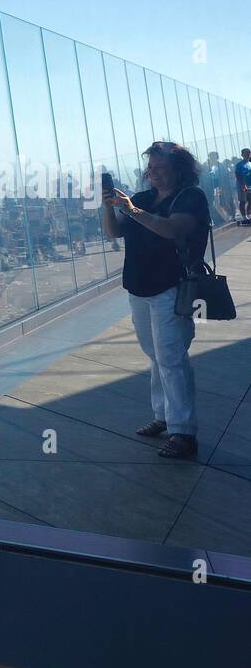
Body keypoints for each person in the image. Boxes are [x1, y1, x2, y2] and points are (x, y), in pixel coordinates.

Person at [101, 142, 211, 459]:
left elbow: (173, 229)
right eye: (151, 168)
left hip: (171, 287)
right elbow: (114, 233)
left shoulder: (191, 197)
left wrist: (132, 210)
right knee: (155, 354)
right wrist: (110, 205)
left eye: (160, 168)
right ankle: (164, 416)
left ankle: (183, 432)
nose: (154, 174)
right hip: (139, 285)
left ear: (179, 170)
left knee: (171, 357)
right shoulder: (145, 197)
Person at [235, 148, 251, 223]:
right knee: (243, 201)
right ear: (242, 155)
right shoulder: (239, 165)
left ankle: (249, 215)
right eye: (245, 153)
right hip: (242, 185)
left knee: (250, 200)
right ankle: (244, 217)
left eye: (248, 153)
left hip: (250, 184)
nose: (247, 155)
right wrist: (243, 185)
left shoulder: (250, 163)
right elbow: (238, 175)